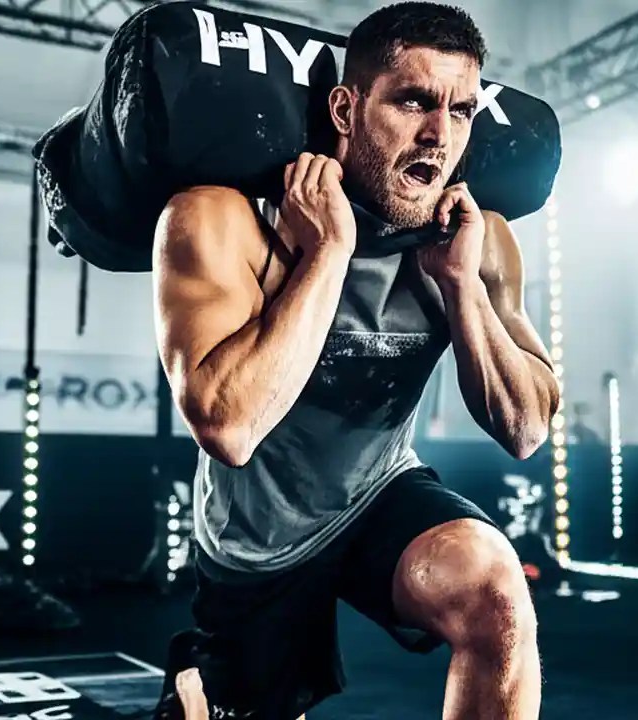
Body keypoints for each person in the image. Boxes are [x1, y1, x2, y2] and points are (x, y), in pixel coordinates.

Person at [151, 3, 558, 719]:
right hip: (256, 535)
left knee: (495, 595)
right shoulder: (220, 218)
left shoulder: (476, 239)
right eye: (414, 101)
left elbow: (527, 430)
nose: (439, 136)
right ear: (345, 109)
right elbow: (228, 428)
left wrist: (461, 286)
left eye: (462, 111)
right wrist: (329, 252)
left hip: (378, 492)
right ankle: (199, 691)